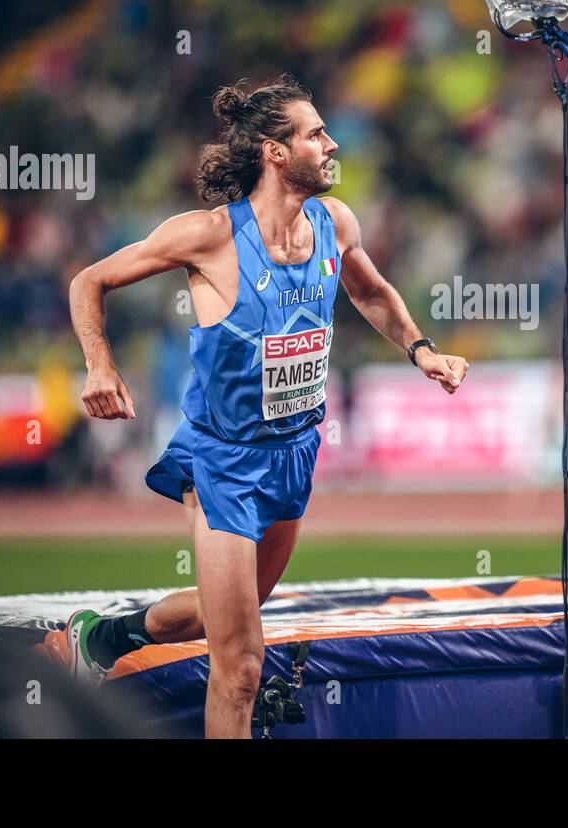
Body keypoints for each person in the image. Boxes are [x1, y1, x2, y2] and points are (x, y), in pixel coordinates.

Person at [60, 75, 469, 738]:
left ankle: (102, 638)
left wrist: (421, 349)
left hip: (295, 452)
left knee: (226, 613)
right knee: (241, 667)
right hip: (223, 459)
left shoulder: (335, 223)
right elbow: (90, 279)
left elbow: (370, 292)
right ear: (276, 153)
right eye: (316, 134)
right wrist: (100, 366)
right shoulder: (210, 236)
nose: (332, 145)